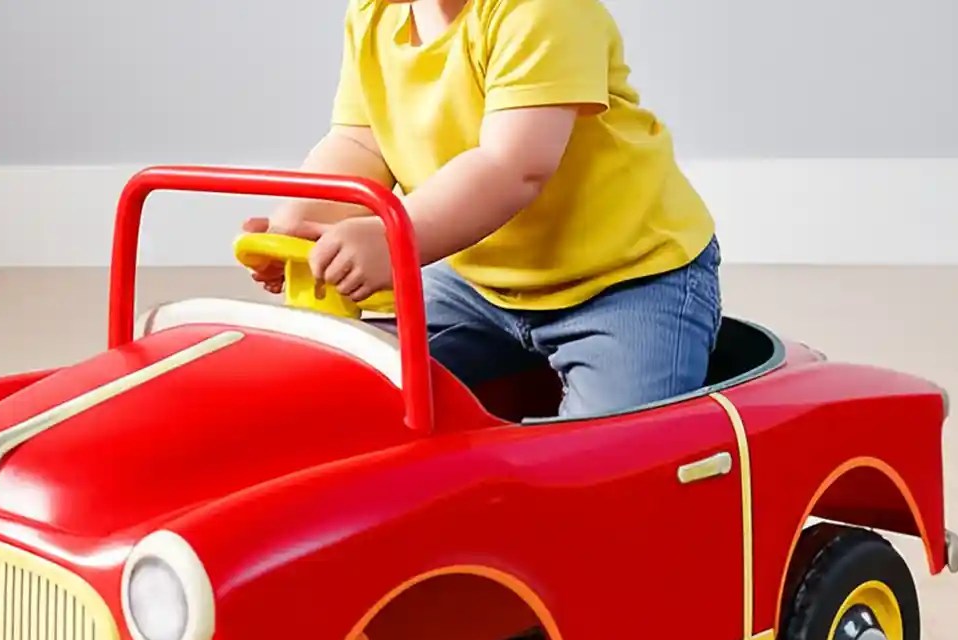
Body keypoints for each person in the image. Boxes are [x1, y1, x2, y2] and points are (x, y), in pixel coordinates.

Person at [244, 0, 721, 420]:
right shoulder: (375, 14)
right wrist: (306, 223)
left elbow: (512, 166)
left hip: (625, 278)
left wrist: (394, 242)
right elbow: (359, 140)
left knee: (609, 451)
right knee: (369, 375)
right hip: (479, 277)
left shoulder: (542, 10)